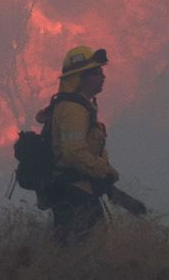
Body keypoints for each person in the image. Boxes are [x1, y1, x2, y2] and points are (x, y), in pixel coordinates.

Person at [35, 46, 117, 243]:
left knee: (74, 251)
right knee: (86, 249)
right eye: (97, 72)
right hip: (75, 193)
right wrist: (104, 170)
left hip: (77, 191)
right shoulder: (73, 109)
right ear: (81, 77)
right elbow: (73, 152)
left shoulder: (79, 107)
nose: (103, 77)